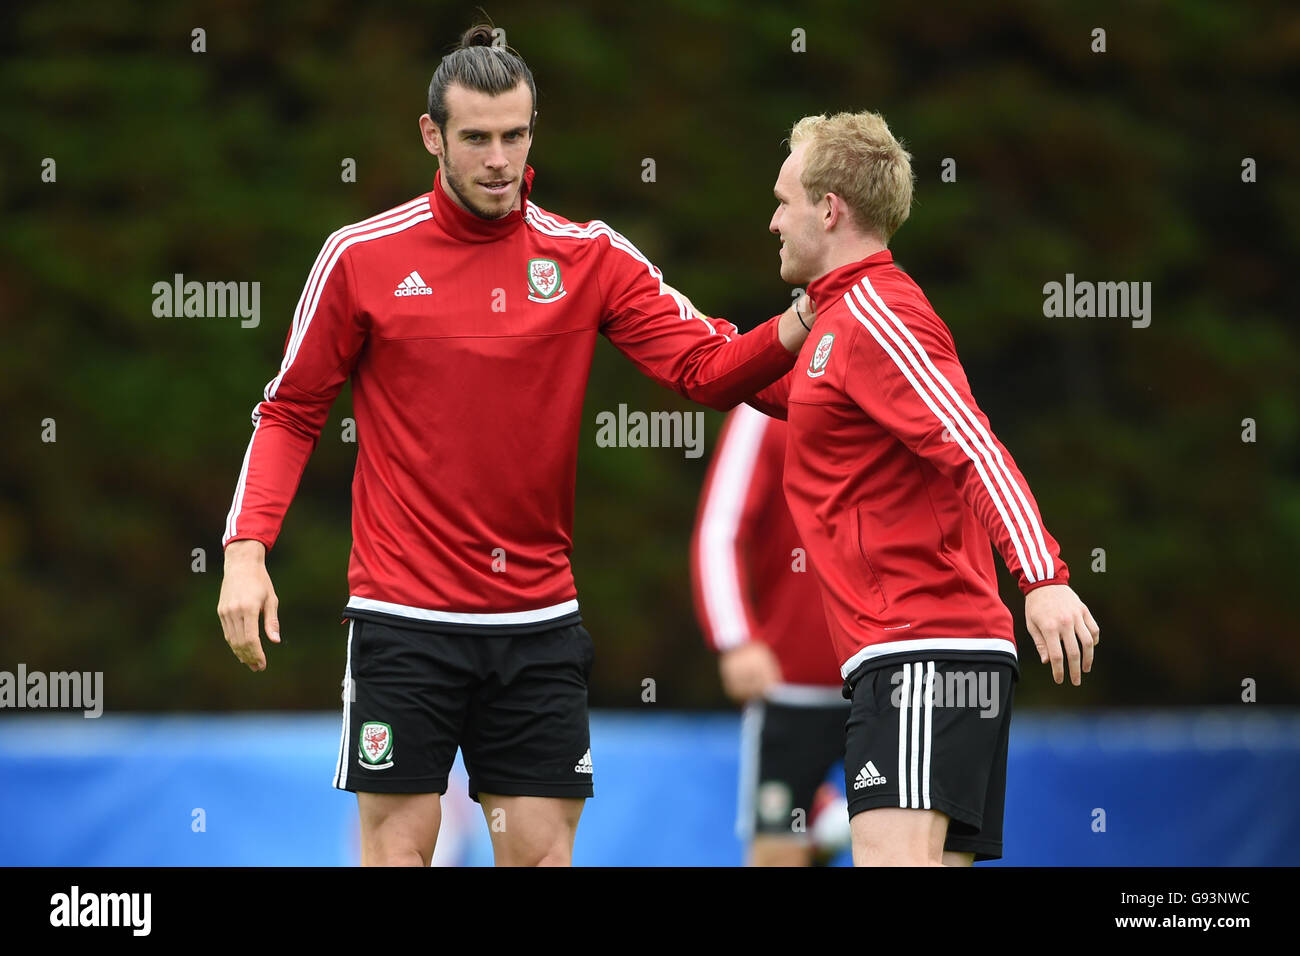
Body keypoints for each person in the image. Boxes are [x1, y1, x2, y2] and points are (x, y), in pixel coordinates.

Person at [216, 26, 815, 867]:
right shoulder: (360, 258)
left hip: (536, 619)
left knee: (539, 854)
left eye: (515, 135)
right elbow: (289, 410)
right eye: (476, 138)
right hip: (403, 615)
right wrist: (246, 551)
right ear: (432, 136)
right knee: (398, 850)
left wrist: (807, 329)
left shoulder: (588, 256)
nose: (499, 159)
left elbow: (708, 367)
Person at [751, 111, 1100, 866]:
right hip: (932, 654)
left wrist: (1041, 576)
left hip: (921, 652)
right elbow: (746, 377)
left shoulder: (875, 315)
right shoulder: (839, 321)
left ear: (829, 209)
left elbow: (973, 445)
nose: (773, 220)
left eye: (783, 200)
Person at [691, 402, 849, 866]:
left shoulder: (908, 383)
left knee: (911, 848)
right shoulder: (767, 406)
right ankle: (821, 823)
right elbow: (720, 530)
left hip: (894, 677)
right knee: (779, 848)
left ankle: (823, 823)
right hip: (792, 685)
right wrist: (735, 637)